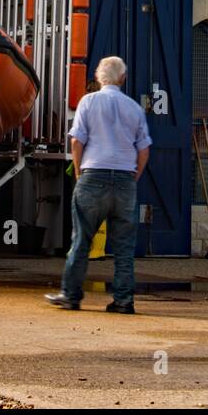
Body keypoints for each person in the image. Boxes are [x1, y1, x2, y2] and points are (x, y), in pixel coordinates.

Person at [45, 56, 151, 314]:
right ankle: (124, 301)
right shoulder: (134, 108)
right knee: (124, 247)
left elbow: (76, 141)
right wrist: (133, 176)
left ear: (98, 77)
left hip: (93, 175)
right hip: (125, 180)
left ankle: (71, 297)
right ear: (123, 79)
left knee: (81, 240)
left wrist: (80, 172)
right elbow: (145, 148)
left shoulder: (88, 102)